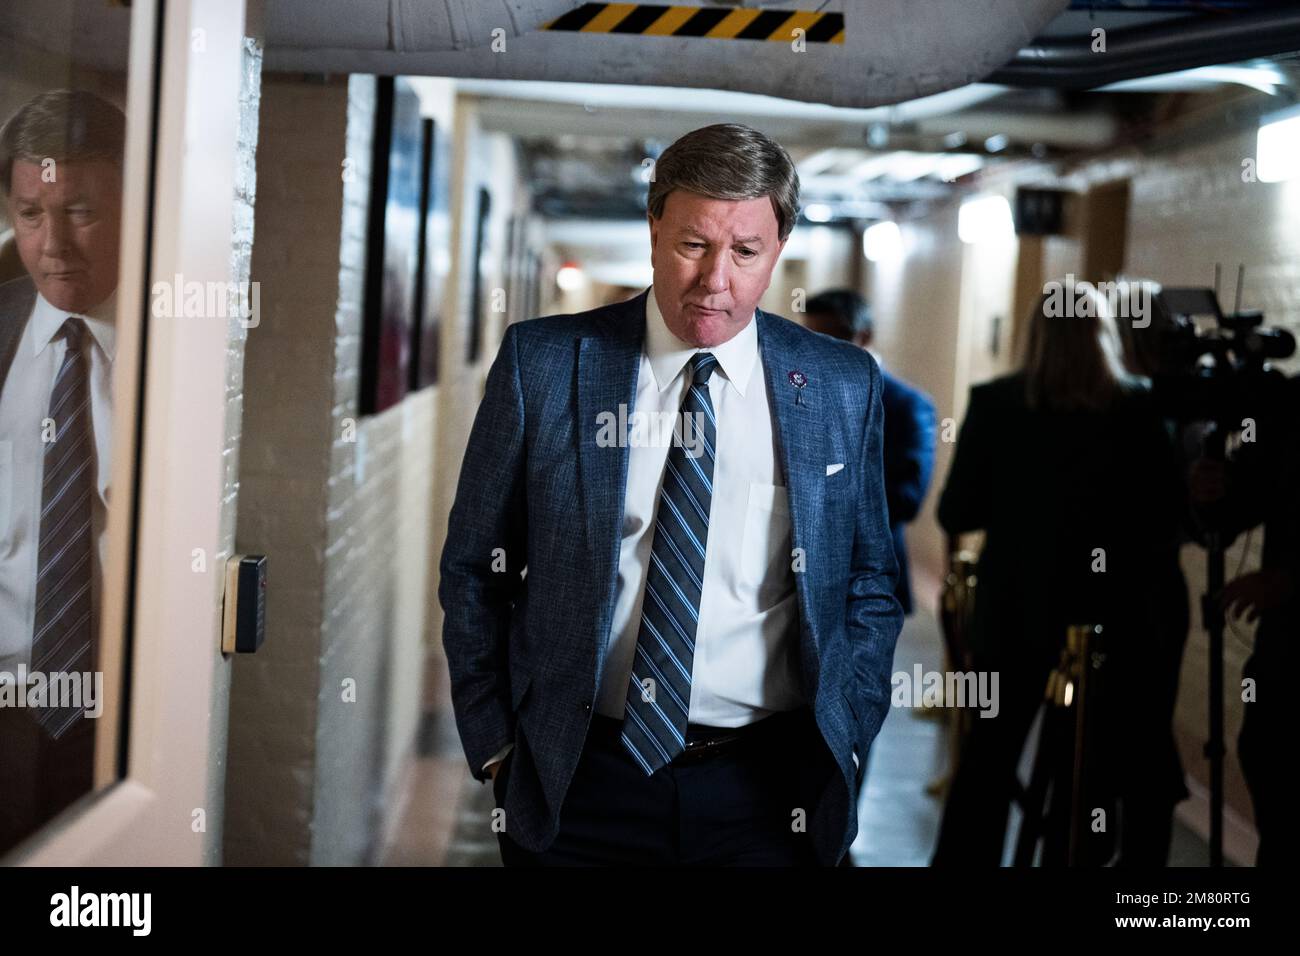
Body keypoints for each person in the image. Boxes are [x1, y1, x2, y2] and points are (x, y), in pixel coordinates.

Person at [439, 123, 903, 866]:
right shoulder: (545, 364)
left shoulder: (842, 384)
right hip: (579, 781)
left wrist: (849, 722)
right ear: (654, 225)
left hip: (768, 787)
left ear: (777, 248)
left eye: (745, 252)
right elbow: (474, 568)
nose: (716, 279)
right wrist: (495, 746)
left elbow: (871, 580)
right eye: (694, 244)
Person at [930, 281, 1187, 866]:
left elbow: (956, 512)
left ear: (1035, 336)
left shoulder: (997, 402)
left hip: (1016, 611)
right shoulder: (1139, 406)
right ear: (1102, 336)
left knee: (988, 762)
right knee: (1087, 772)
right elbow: (1165, 518)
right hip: (1109, 619)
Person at [0, 89, 124, 856]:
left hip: (120, 713)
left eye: (79, 211)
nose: (52, 246)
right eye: (29, 213)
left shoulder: (183, 343)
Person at [804, 289, 937, 616]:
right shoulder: (797, 393)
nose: (813, 351)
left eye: (827, 338)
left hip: (869, 577)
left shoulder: (907, 406)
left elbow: (906, 498)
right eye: (809, 338)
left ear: (863, 336)